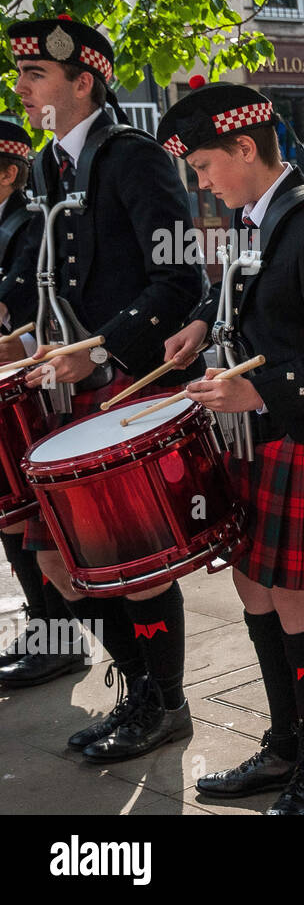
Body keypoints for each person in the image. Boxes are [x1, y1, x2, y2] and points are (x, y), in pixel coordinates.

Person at [159, 80, 304, 814]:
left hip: (302, 433)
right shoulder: (256, 217)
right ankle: (284, 747)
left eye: (204, 167)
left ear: (245, 149)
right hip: (255, 439)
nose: (202, 183)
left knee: (292, 594)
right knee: (253, 585)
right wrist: (198, 321)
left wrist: (260, 390)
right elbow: (248, 302)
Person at [0, 18, 204, 764]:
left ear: (82, 81)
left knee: (134, 563)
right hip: (66, 391)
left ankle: (163, 702)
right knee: (58, 561)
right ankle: (141, 687)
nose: (21, 89)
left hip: (126, 389)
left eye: (36, 78)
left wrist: (105, 349)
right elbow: (42, 277)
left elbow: (183, 277)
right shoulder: (53, 166)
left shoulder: (134, 159)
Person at [0, 119, 73, 686]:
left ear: (7, 172)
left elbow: (26, 318)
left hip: (29, 390)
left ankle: (61, 636)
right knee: (8, 519)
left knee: (27, 516)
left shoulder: (27, 227)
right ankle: (42, 622)